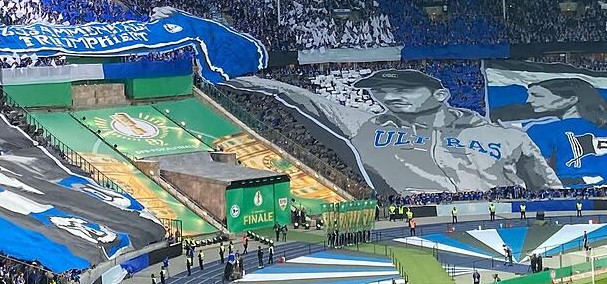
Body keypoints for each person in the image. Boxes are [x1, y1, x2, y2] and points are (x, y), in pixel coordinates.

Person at [229, 70, 562, 193]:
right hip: (413, 222)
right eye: (382, 92)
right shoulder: (366, 128)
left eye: (404, 89)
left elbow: (548, 189)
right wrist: (252, 82)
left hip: (501, 220)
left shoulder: (508, 137)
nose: (390, 97)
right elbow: (309, 101)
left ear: (441, 95)